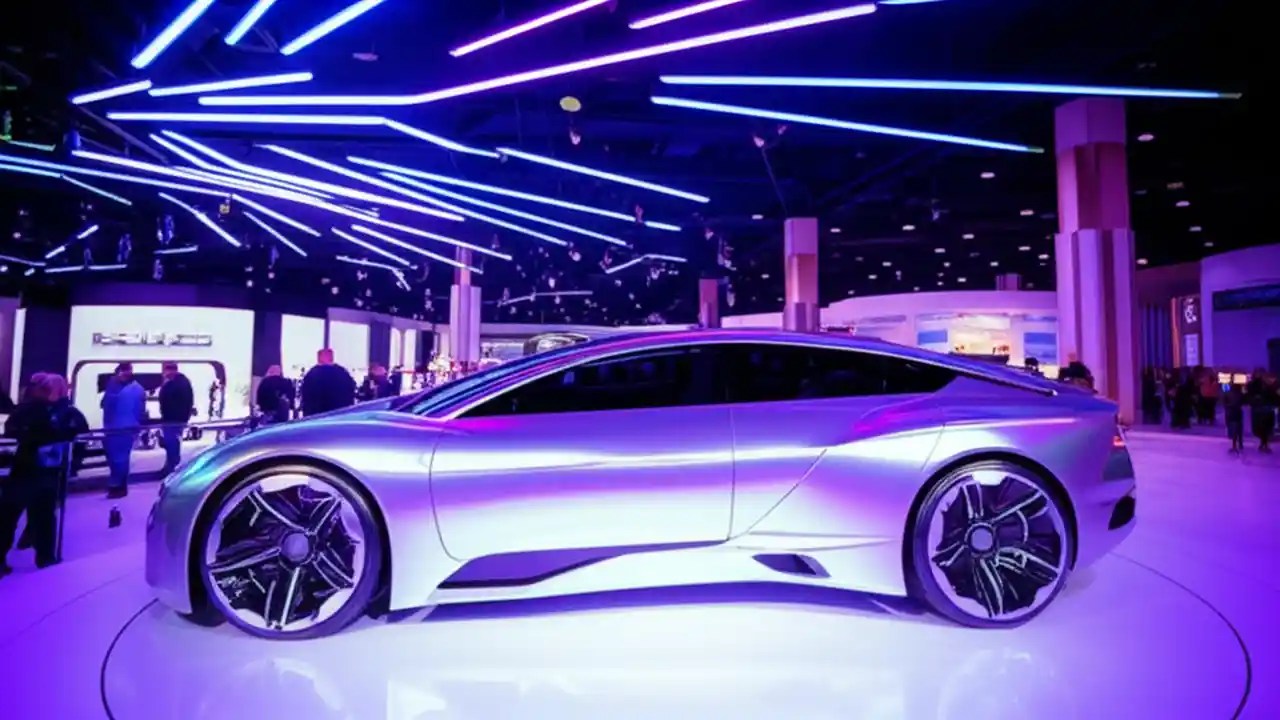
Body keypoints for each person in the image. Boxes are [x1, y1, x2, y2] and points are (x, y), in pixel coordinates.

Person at [1, 374, 87, 575]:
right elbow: (76, 434)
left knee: (10, 516)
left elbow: (13, 432)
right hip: (44, 472)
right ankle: (46, 558)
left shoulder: (28, 410)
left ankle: (25, 555)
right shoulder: (64, 412)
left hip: (24, 470)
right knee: (42, 517)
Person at [101, 363, 146, 499]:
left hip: (120, 428)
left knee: (119, 459)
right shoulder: (137, 389)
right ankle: (118, 485)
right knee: (118, 459)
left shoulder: (120, 389)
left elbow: (107, 405)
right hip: (118, 428)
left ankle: (118, 486)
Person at [157, 362, 194, 476]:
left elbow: (182, 401)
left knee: (172, 443)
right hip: (173, 418)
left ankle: (172, 467)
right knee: (172, 443)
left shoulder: (178, 383)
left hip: (174, 419)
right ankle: (170, 465)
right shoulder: (178, 382)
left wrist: (182, 418)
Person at [300, 349, 356, 417]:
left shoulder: (311, 375)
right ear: (332, 358)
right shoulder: (343, 373)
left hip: (316, 417)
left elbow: (305, 397)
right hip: (339, 415)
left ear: (318, 358)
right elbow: (350, 392)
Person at [1246, 369, 1277, 453]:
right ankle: (1264, 443)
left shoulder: (1268, 385)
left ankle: (1264, 443)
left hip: (1264, 409)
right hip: (1261, 409)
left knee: (1265, 428)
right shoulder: (1254, 385)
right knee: (1262, 428)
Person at [1223, 383, 1246, 454]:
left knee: (1232, 428)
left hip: (1230, 412)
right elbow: (1244, 401)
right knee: (1239, 428)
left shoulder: (1228, 394)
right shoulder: (1240, 394)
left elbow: (1225, 403)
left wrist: (1227, 407)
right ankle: (1240, 442)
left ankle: (1234, 444)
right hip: (1238, 412)